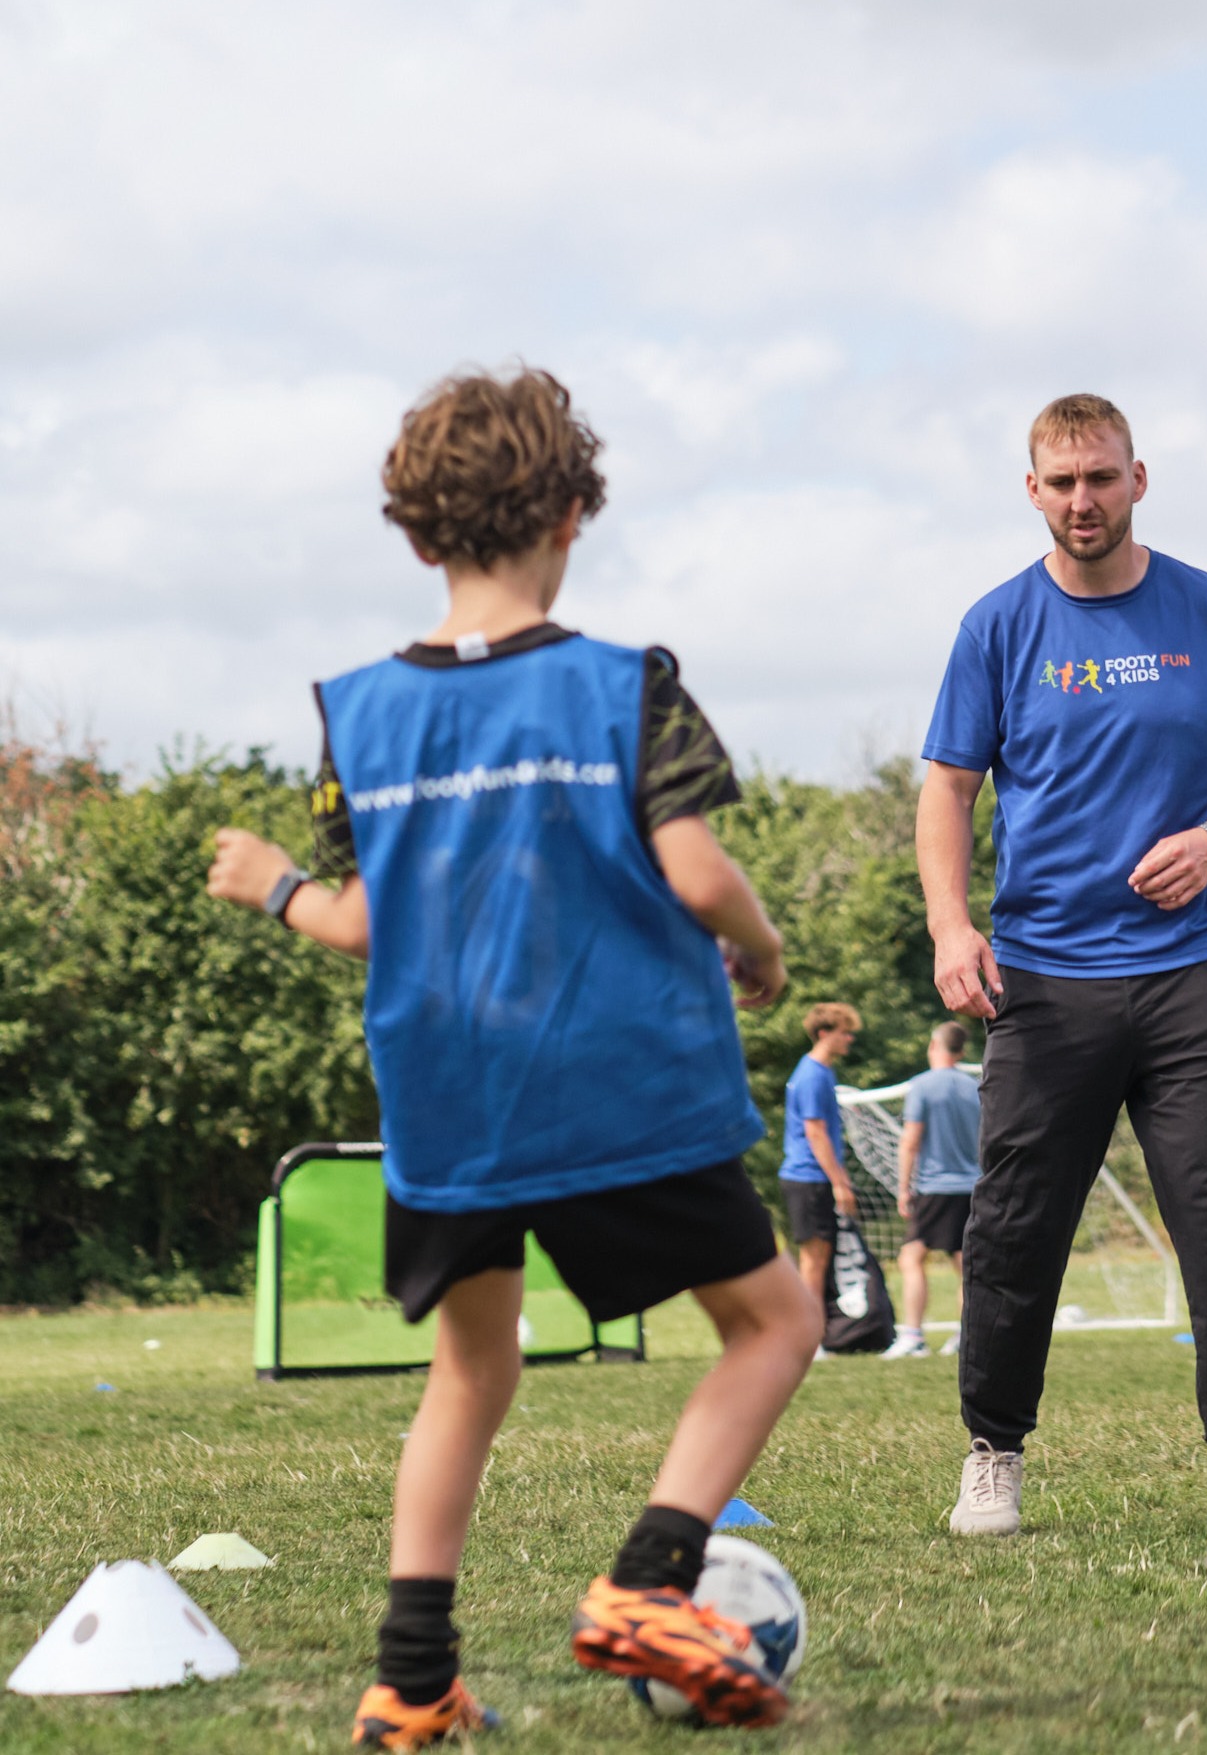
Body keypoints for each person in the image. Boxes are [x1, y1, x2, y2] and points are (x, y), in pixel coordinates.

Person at [204, 366, 819, 1746]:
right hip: (622, 1093)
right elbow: (699, 870)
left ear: (416, 536)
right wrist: (763, 944)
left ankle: (410, 1683)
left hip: (450, 1107)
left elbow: (365, 919)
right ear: (575, 511)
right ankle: (648, 1579)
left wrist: (275, 884)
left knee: (471, 1373)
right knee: (772, 1321)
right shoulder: (624, 686)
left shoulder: (357, 713)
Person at [918, 393, 1207, 1540]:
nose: (1082, 501)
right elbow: (948, 786)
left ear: (1140, 478)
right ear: (1031, 492)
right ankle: (993, 1453)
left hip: (1198, 969)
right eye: (1060, 482)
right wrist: (951, 927)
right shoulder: (995, 626)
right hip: (1043, 975)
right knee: (1017, 1225)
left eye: (1100, 478)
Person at [885, 1020, 982, 1359]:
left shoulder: (922, 1086)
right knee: (964, 1263)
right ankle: (966, 1334)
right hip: (971, 1186)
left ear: (934, 1047)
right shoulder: (974, 1087)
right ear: (962, 1051)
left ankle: (913, 1335)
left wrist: (903, 1188)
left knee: (911, 1256)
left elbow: (910, 1141)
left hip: (935, 1186)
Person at [777, 1002, 862, 1318]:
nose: (849, 1039)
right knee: (813, 1260)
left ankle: (818, 1331)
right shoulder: (812, 1074)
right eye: (845, 1033)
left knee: (821, 1258)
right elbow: (815, 1133)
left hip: (814, 1178)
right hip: (808, 1178)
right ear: (824, 1033)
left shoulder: (822, 1071)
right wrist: (840, 1183)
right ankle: (810, 1339)